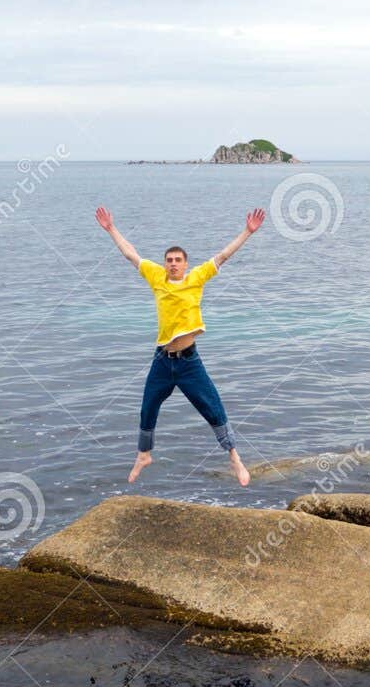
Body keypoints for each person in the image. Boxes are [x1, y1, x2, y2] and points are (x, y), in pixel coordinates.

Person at [94, 205, 266, 485]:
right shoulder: (156, 277)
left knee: (213, 408)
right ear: (164, 264)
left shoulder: (196, 278)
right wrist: (111, 229)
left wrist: (247, 232)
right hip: (162, 361)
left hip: (189, 363)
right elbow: (130, 254)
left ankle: (234, 457)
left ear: (185, 264)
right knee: (148, 406)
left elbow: (223, 256)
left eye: (178, 260)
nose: (173, 263)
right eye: (169, 260)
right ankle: (143, 454)